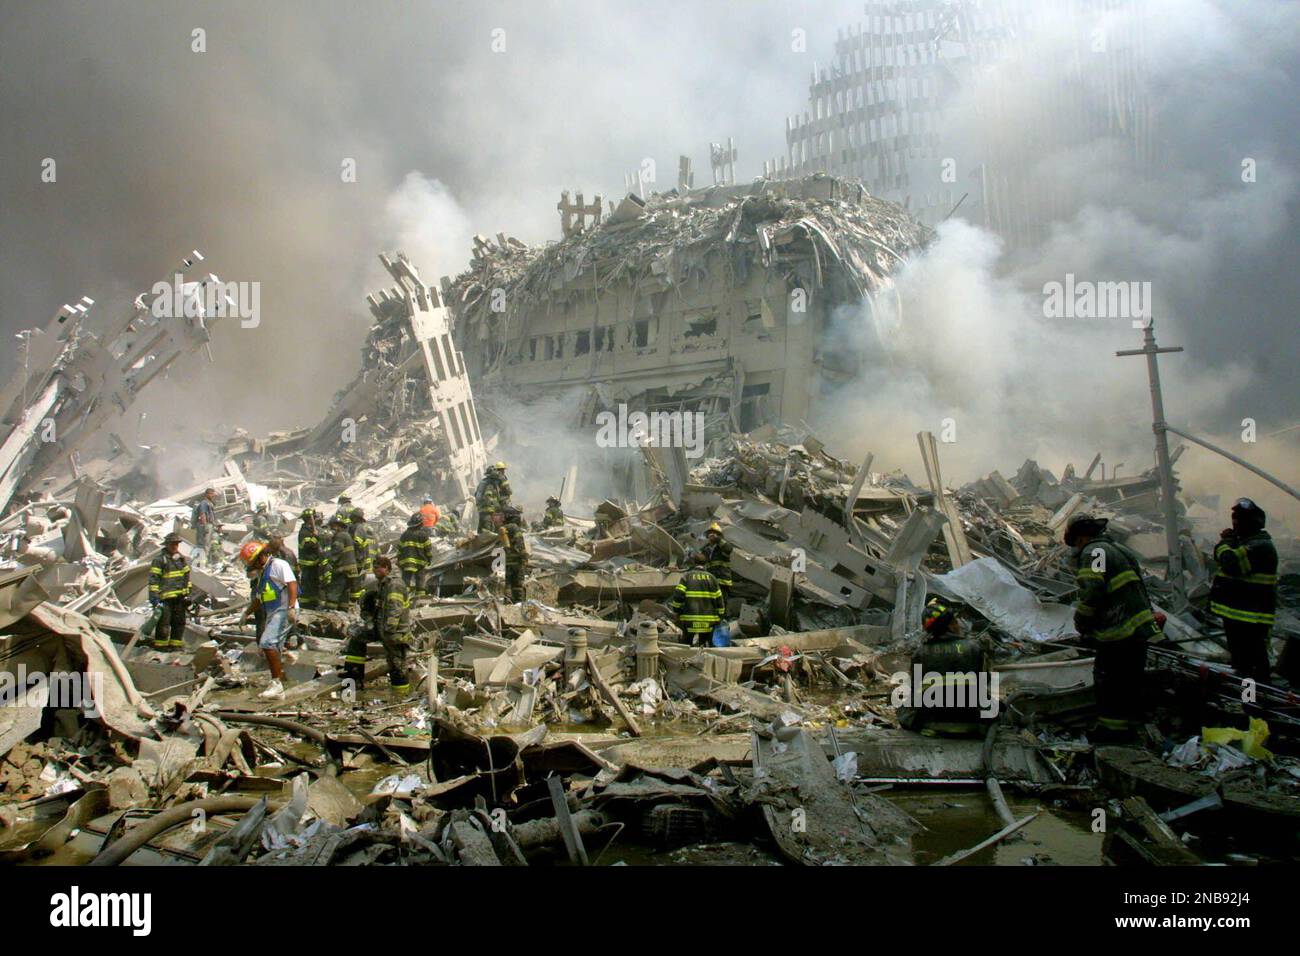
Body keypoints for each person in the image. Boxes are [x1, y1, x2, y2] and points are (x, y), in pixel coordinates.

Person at [1065, 514, 1161, 741]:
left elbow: (1093, 591)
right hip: (1138, 629)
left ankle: (1111, 733)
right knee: (1131, 681)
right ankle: (1133, 726)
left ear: (1080, 537)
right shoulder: (1119, 550)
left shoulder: (1095, 553)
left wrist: (1082, 620)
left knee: (1110, 682)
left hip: (1119, 631)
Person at [897, 597, 992, 736]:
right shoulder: (974, 648)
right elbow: (985, 683)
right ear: (951, 625)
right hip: (971, 723)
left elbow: (916, 691)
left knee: (903, 707)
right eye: (955, 621)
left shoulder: (920, 653)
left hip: (932, 724)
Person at [1210, 497, 1279, 685]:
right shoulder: (1245, 543)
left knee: (1251, 667)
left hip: (1251, 618)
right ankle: (1248, 702)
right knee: (1243, 664)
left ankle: (1253, 705)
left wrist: (1224, 541)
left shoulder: (1259, 546)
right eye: (1235, 518)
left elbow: (1229, 562)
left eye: (1240, 518)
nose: (1236, 523)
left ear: (1255, 521)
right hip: (1239, 616)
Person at [342, 556, 412, 695]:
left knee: (396, 664)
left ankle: (401, 695)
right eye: (374, 567)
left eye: (379, 567)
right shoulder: (382, 584)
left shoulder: (394, 585)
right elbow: (379, 607)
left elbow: (395, 610)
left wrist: (389, 631)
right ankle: (353, 677)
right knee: (357, 639)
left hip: (394, 632)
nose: (375, 570)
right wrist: (369, 620)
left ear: (387, 568)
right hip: (381, 628)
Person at [239, 540, 298, 701]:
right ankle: (280, 679)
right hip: (274, 612)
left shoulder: (279, 565)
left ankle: (277, 685)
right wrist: (246, 613)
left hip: (285, 610)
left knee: (267, 643)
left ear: (260, 558)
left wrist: (292, 607)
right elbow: (259, 598)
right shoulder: (263, 574)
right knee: (274, 647)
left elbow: (292, 584)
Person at [667, 551, 726, 646]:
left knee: (686, 646)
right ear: (705, 564)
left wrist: (677, 611)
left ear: (694, 563)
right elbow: (719, 599)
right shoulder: (712, 578)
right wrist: (720, 615)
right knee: (705, 646)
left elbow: (678, 596)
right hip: (708, 621)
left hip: (689, 620)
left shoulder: (687, 577)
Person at [148, 532, 191, 652]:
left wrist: (187, 593)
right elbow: (153, 580)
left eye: (177, 544)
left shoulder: (181, 559)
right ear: (167, 544)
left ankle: (175, 645)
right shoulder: (159, 560)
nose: (175, 547)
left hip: (179, 598)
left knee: (179, 623)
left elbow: (186, 575)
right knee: (164, 624)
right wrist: (154, 598)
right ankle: (161, 647)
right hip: (165, 598)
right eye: (172, 544)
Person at [323, 514, 359, 611]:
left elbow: (336, 551)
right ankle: (342, 613)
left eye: (332, 526)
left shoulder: (340, 536)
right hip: (349, 572)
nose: (331, 529)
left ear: (337, 526)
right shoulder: (346, 535)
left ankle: (329, 614)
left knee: (333, 593)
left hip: (341, 570)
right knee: (344, 595)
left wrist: (328, 561)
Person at [499, 505, 529, 602]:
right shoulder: (515, 528)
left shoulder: (504, 528)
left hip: (508, 560)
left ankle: (507, 600)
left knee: (508, 583)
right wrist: (524, 556)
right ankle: (518, 602)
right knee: (518, 583)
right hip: (517, 560)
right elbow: (519, 543)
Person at [398, 512, 432, 597]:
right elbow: (428, 549)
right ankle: (420, 601)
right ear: (420, 524)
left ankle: (405, 599)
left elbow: (399, 549)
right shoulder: (423, 535)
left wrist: (399, 560)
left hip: (406, 563)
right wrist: (429, 559)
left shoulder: (404, 534)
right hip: (419, 564)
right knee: (420, 583)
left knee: (406, 582)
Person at [701, 522, 734, 606]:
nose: (711, 535)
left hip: (722, 581)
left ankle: (722, 618)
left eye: (714, 533)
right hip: (710, 581)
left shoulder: (722, 547)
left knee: (721, 603)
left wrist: (718, 540)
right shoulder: (705, 549)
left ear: (719, 535)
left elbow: (728, 549)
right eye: (710, 533)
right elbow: (700, 563)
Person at [297, 509, 323, 609]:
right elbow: (307, 545)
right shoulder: (303, 532)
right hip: (308, 564)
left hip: (313, 563)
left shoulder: (310, 530)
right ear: (309, 519)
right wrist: (315, 537)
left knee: (313, 586)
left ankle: (313, 605)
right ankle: (305, 606)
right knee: (307, 587)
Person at [475, 462, 511, 531]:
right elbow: (488, 496)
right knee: (489, 529)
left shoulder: (483, 481)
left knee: (482, 529)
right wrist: (496, 506)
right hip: (489, 509)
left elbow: (476, 494)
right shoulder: (490, 484)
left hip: (481, 508)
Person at [191, 488, 222, 566]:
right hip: (205, 525)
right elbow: (203, 514)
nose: (213, 496)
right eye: (211, 494)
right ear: (207, 494)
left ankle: (207, 560)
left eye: (213, 494)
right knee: (204, 544)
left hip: (210, 525)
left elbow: (211, 516)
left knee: (210, 543)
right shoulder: (204, 503)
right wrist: (205, 526)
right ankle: (202, 561)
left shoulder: (209, 503)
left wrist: (216, 525)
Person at [350, 508, 375, 587]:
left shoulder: (358, 527)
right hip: (359, 558)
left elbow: (357, 543)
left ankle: (354, 598)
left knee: (354, 582)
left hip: (357, 559)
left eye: (353, 516)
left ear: (356, 517)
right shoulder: (360, 527)